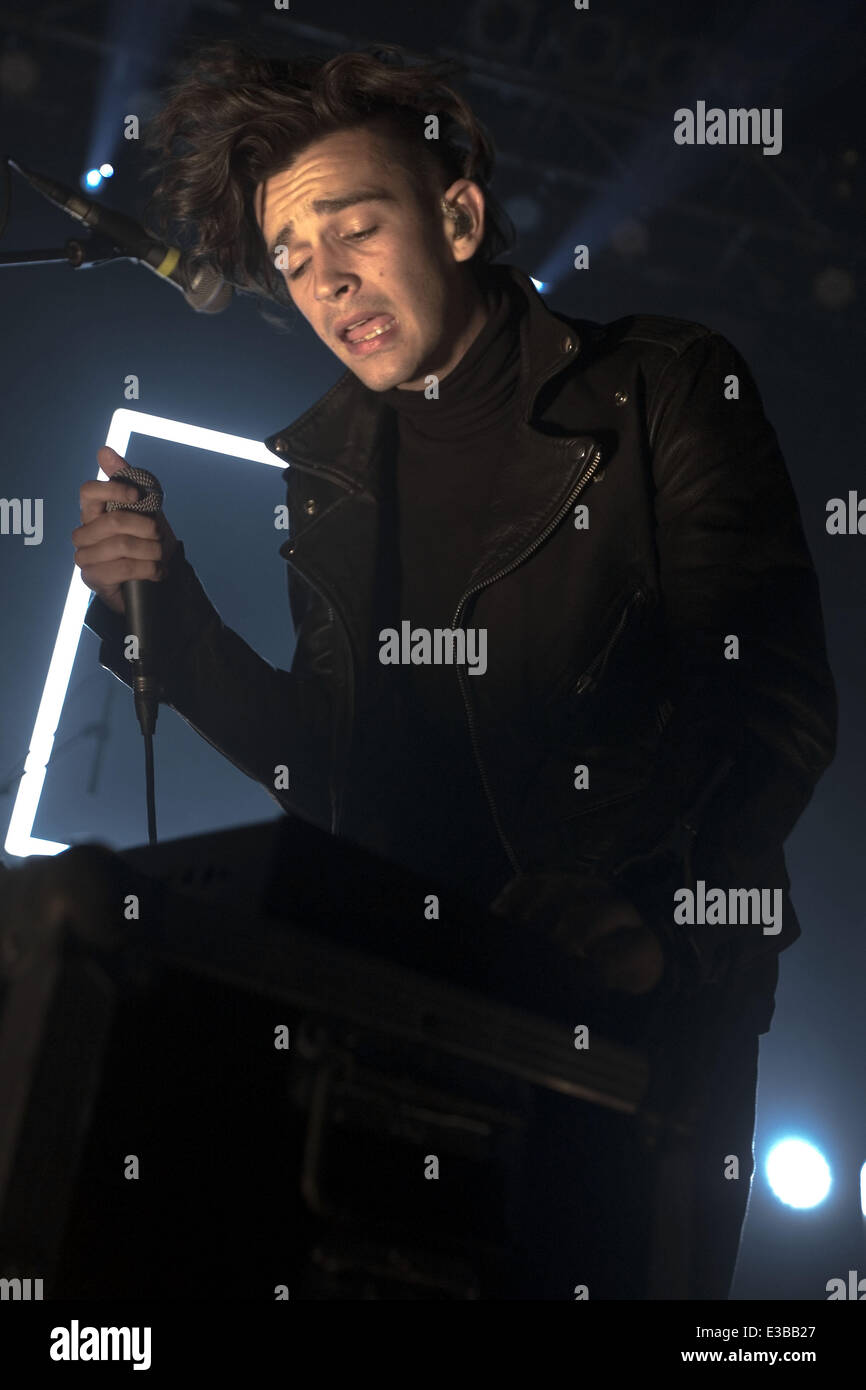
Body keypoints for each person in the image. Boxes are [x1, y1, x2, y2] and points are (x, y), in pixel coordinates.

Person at [72, 42, 837, 1298]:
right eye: (291, 259)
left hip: (634, 1005)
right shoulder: (326, 480)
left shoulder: (659, 387)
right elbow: (326, 766)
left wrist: (646, 907)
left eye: (353, 229)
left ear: (459, 214)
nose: (326, 281)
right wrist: (170, 613)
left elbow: (768, 703)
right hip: (403, 1005)